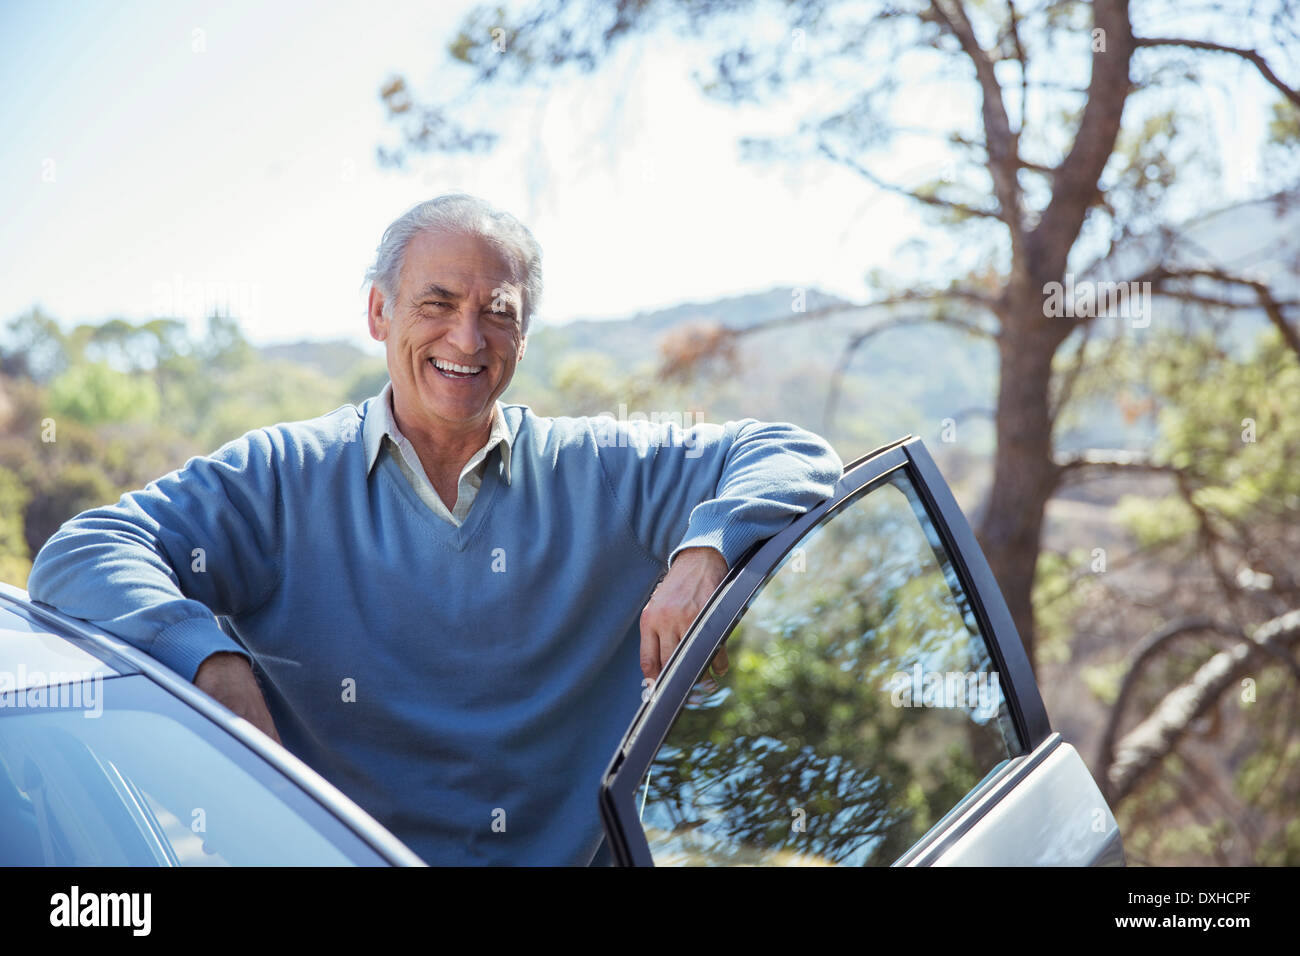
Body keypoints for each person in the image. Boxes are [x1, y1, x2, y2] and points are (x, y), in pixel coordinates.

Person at [27, 194, 843, 865]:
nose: (467, 338)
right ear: (380, 313)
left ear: (522, 333)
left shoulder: (600, 469)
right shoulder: (280, 478)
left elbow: (792, 451)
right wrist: (212, 664)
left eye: (497, 312)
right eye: (438, 304)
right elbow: (84, 552)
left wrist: (705, 551)